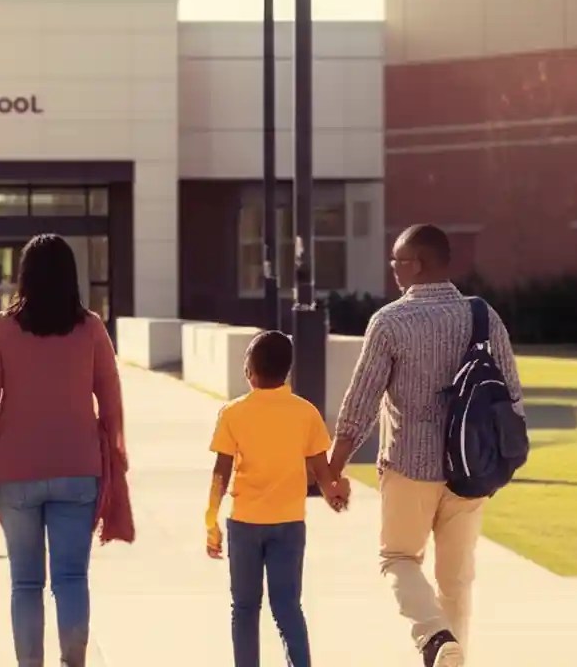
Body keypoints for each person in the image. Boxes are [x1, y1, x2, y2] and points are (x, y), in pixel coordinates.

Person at [327, 224, 524, 667]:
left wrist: (333, 467)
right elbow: (512, 397)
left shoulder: (390, 321)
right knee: (456, 581)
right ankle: (453, 656)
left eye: (397, 261)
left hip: (408, 467)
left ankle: (434, 638)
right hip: (471, 472)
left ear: (416, 264)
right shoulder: (482, 315)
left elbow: (359, 402)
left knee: (397, 557)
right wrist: (497, 464)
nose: (393, 269)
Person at [0, 233, 133, 667]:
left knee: (25, 584)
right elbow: (111, 403)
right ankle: (73, 661)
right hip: (78, 470)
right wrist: (117, 455)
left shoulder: (1, 329)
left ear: (25, 276)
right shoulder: (92, 328)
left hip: (14, 474)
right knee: (71, 578)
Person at [205, 330, 350, 667]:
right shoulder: (305, 412)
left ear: (249, 370)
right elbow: (321, 469)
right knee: (287, 608)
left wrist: (211, 520)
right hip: (289, 524)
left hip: (244, 524)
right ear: (287, 371)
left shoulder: (233, 413)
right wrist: (334, 492)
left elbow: (220, 473)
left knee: (244, 609)